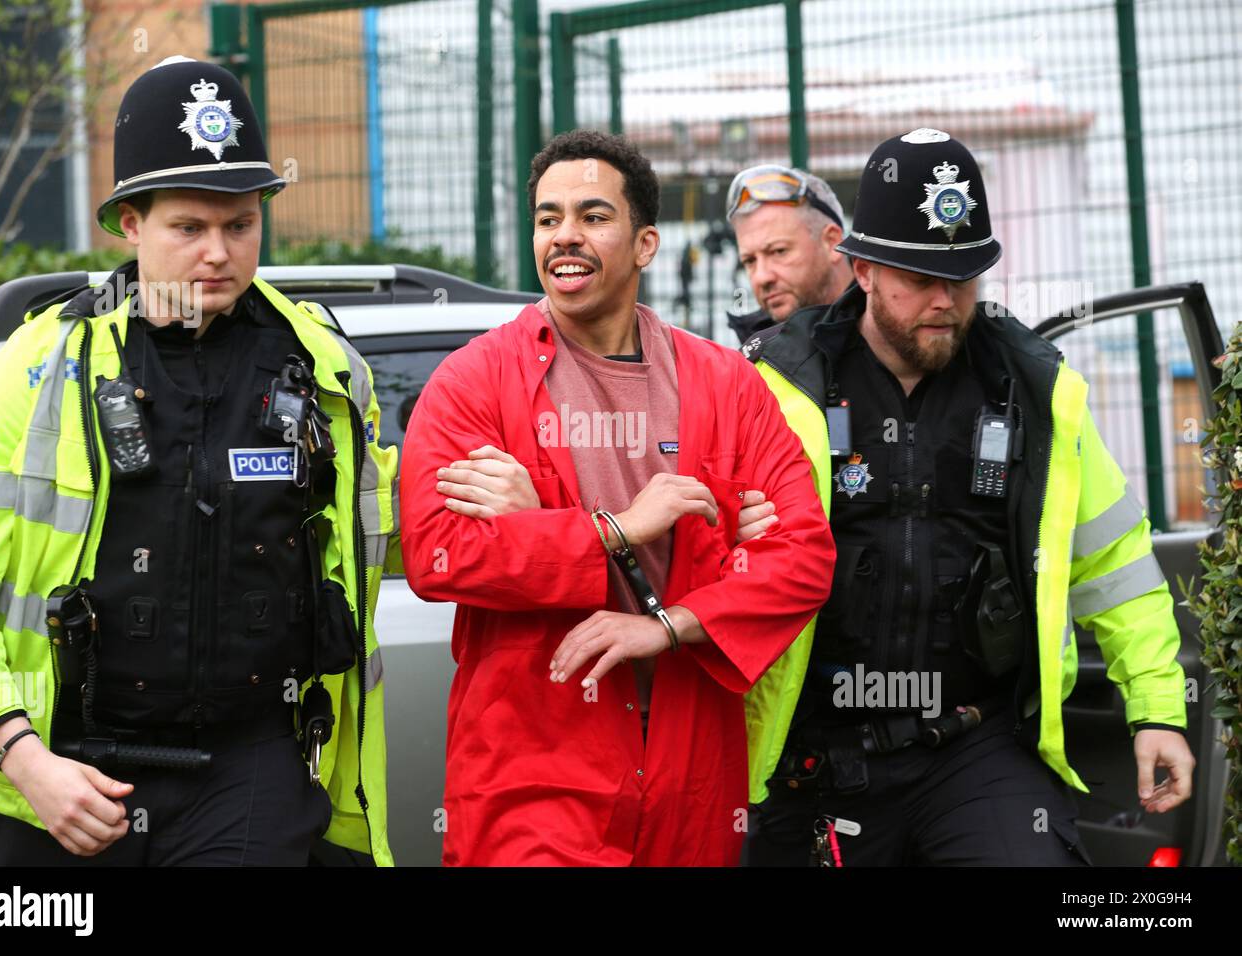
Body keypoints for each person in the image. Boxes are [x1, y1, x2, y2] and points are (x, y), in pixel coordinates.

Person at [0, 56, 399, 865]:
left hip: (252, 773)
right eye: (189, 228)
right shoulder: (39, 370)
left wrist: (484, 497)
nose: (217, 254)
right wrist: (22, 757)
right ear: (129, 223)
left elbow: (378, 537)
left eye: (240, 224)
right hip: (66, 779)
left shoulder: (325, 368)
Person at [740, 128, 1194, 866]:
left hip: (973, 749)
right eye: (918, 278)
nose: (944, 301)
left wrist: (1155, 711)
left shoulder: (1040, 395)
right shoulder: (772, 386)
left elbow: (1114, 561)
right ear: (861, 268)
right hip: (811, 754)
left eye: (964, 275)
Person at [399, 129, 835, 866]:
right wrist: (614, 529)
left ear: (644, 244)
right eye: (548, 218)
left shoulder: (725, 384)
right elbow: (438, 553)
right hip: (533, 770)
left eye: (594, 216)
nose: (565, 236)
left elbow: (802, 559)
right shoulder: (474, 382)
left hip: (691, 773)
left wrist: (667, 626)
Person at [725, 165, 853, 343]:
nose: (762, 277)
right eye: (749, 261)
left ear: (831, 242)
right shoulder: (751, 358)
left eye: (779, 251)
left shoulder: (890, 335)